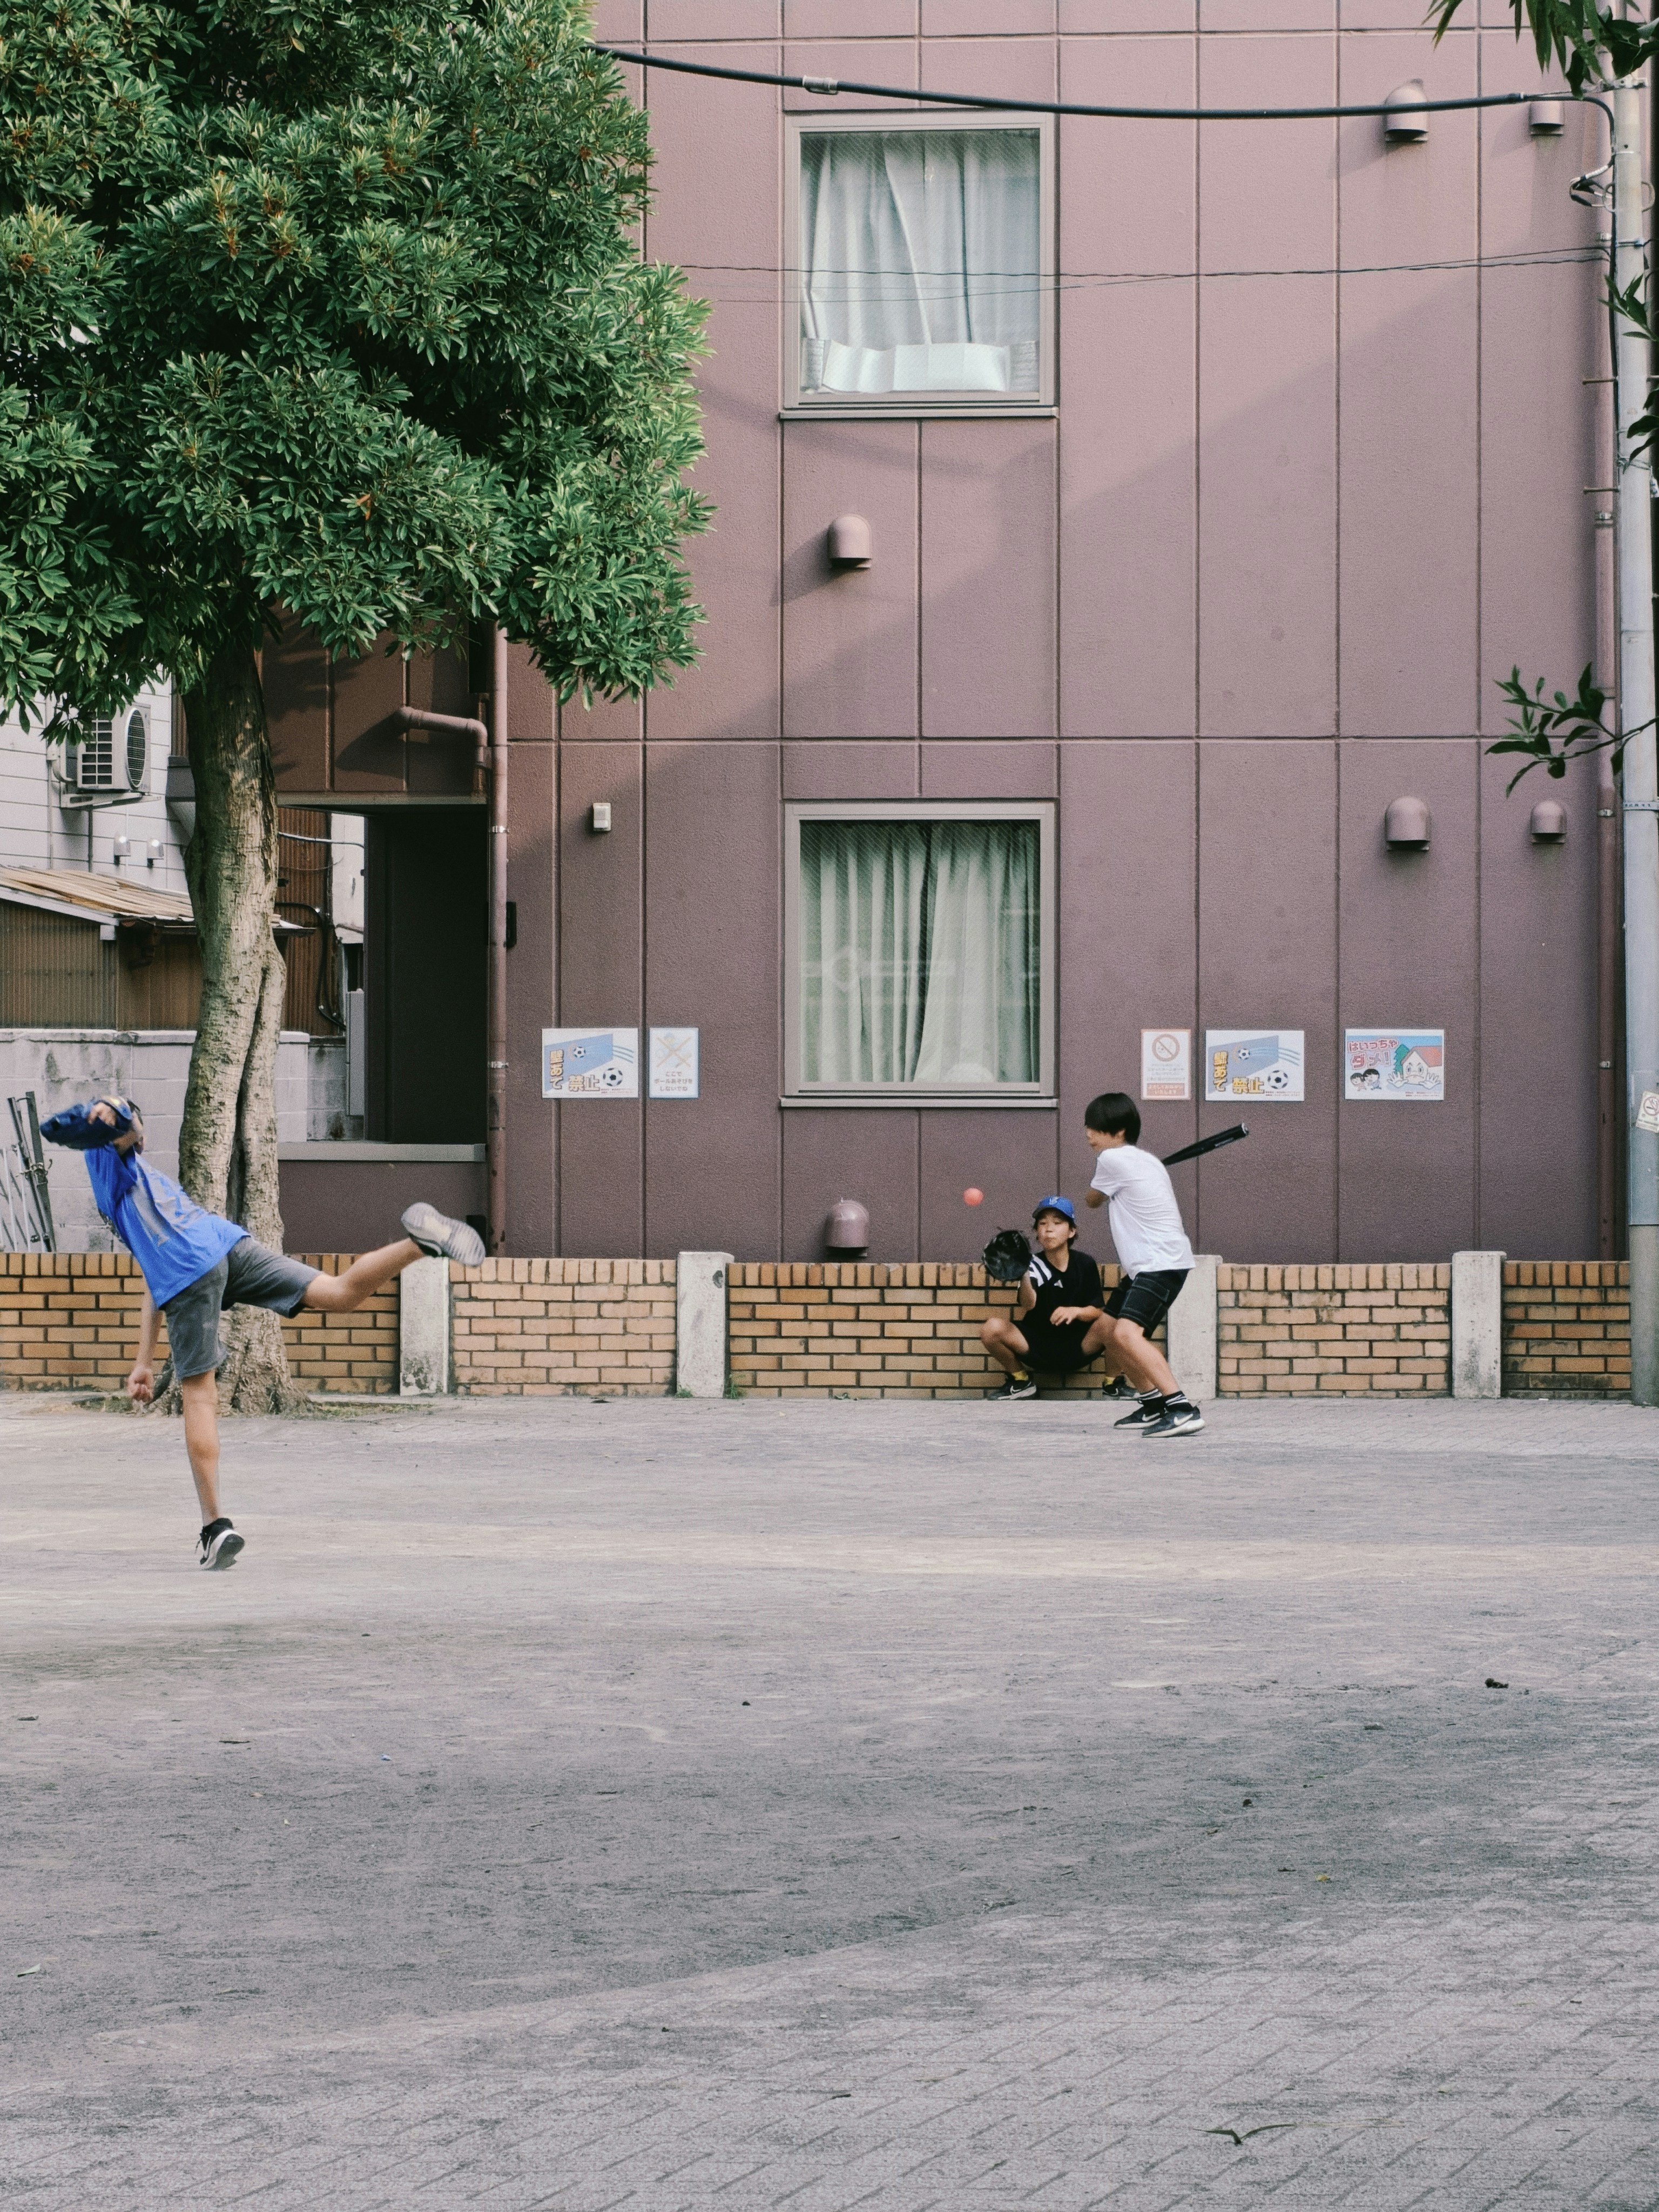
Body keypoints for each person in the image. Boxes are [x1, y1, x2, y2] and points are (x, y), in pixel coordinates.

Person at [43, 1095, 484, 1567]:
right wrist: (144, 1361)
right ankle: (419, 1245)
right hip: (227, 1244)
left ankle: (216, 1527)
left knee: (200, 1396)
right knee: (338, 1294)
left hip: (191, 1269)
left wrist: (115, 1111)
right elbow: (153, 1279)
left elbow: (126, 1130)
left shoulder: (110, 1164)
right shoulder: (141, 1179)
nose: (143, 1138)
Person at [1083, 1091, 1204, 1437]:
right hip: (1148, 1265)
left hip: (1160, 1263)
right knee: (1110, 1331)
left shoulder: (1112, 1161)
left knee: (1126, 1334)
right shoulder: (1145, 1161)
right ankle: (1152, 1403)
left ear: (1118, 1131)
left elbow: (1092, 1201)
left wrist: (1097, 1192)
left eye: (1095, 1128)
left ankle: (1181, 1408)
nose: (1088, 1135)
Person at [981, 1196, 1111, 1400]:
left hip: (1078, 1346)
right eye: (1042, 1224)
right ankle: (1021, 1382)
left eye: (1057, 1223)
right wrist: (1024, 1272)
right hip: (1037, 1345)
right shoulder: (1032, 1264)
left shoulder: (1084, 1263)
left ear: (1071, 1231)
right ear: (1037, 1233)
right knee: (991, 1328)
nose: (1048, 1229)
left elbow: (1098, 1311)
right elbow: (1028, 1304)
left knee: (1116, 1322)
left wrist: (1075, 1311)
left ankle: (1113, 1385)